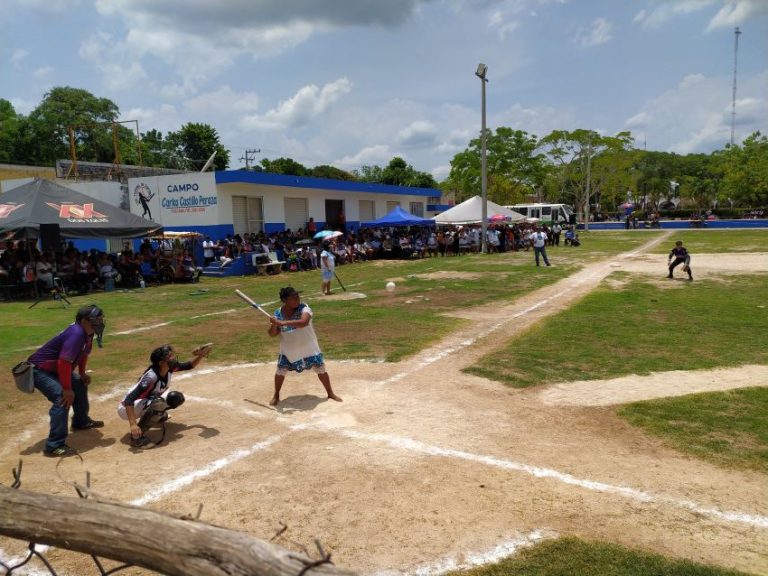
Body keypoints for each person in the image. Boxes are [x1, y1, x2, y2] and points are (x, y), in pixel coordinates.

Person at [28, 304, 106, 457]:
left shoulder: (87, 333)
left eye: (100, 319)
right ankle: (54, 445)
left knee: (79, 384)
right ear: (84, 320)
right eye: (96, 319)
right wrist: (66, 389)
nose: (100, 322)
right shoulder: (76, 333)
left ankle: (81, 421)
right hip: (39, 370)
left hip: (54, 370)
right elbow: (63, 362)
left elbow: (83, 354)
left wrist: (82, 374)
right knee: (62, 397)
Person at [117, 343, 211, 448]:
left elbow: (189, 365)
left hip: (143, 401)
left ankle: (155, 416)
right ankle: (136, 439)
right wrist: (133, 424)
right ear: (161, 362)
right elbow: (129, 400)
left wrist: (200, 355)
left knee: (175, 398)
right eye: (170, 357)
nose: (173, 358)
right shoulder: (151, 378)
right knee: (158, 404)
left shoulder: (169, 368)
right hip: (127, 408)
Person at [267, 287, 341, 406]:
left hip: (308, 347)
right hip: (289, 349)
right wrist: (275, 324)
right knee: (280, 372)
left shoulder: (304, 308)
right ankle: (276, 395)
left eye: (298, 297)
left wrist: (284, 322)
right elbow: (272, 334)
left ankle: (330, 393)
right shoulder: (277, 313)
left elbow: (304, 322)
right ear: (284, 300)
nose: (297, 299)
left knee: (321, 370)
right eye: (293, 298)